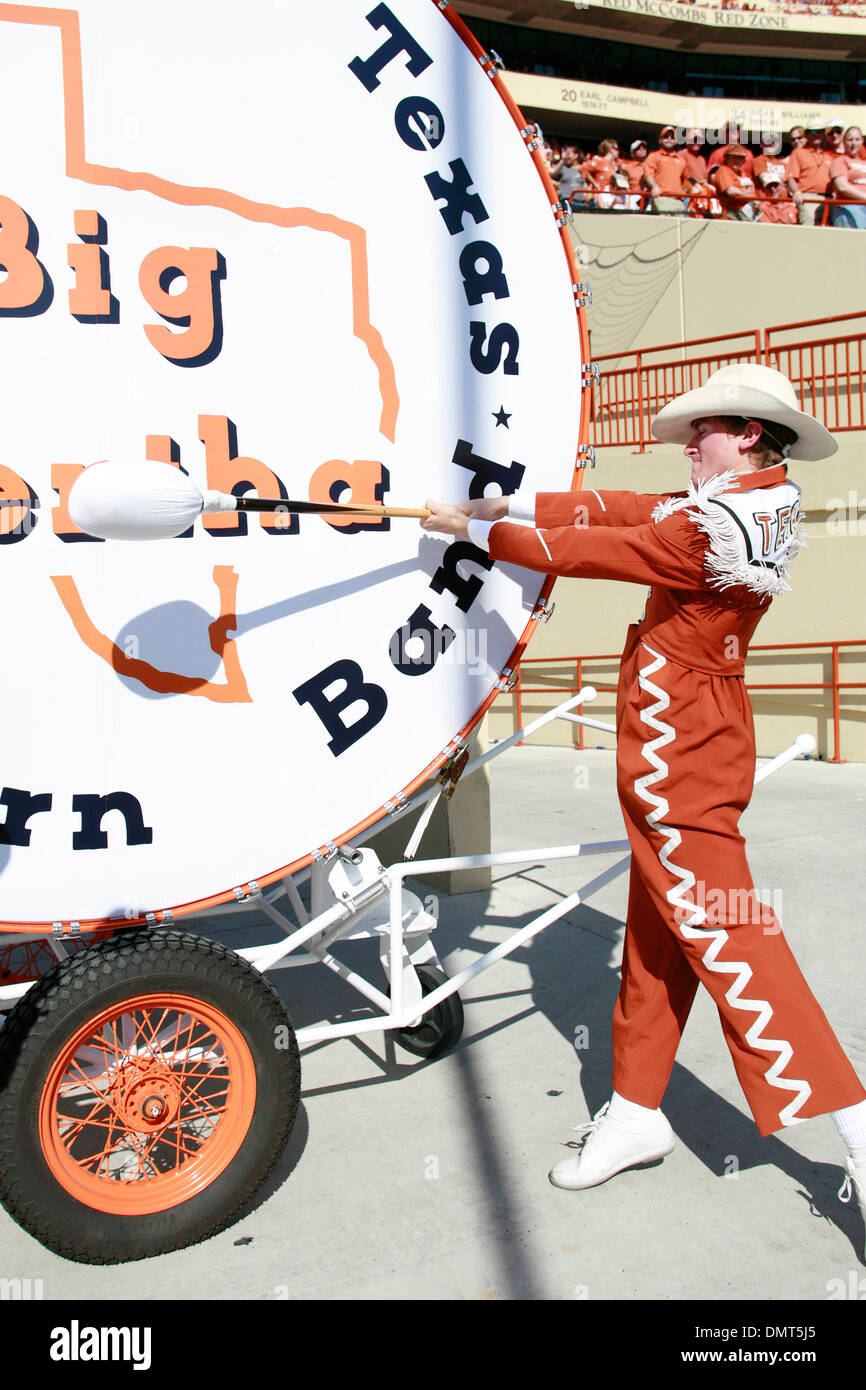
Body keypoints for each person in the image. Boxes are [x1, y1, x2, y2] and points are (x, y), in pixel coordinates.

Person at [420, 364, 866, 1252]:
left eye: (700, 430)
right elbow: (620, 508)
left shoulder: (715, 527)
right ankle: (634, 1111)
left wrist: (483, 530)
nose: (685, 445)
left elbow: (602, 552)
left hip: (679, 749)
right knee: (660, 939)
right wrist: (501, 503)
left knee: (733, 930)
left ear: (745, 433)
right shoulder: (746, 497)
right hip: (697, 733)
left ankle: (855, 1126)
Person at [786, 127, 831, 226]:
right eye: (813, 131)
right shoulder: (798, 152)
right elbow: (791, 178)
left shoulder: (829, 154)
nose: (816, 134)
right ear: (807, 134)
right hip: (808, 197)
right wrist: (797, 192)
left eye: (820, 131)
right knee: (808, 227)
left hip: (829, 198)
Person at [641, 126, 686, 215]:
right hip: (661, 198)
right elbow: (648, 174)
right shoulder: (654, 156)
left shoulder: (681, 160)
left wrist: (685, 190)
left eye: (672, 137)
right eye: (666, 136)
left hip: (678, 201)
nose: (669, 139)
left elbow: (686, 178)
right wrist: (654, 186)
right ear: (660, 140)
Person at [829, 126, 866, 228]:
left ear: (862, 141)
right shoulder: (840, 161)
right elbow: (842, 187)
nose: (854, 143)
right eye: (850, 140)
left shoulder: (864, 162)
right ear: (844, 142)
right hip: (850, 207)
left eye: (857, 139)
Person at [711, 145, 760, 220]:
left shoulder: (741, 172)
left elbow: (751, 188)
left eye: (740, 158)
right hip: (731, 213)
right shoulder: (723, 170)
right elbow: (731, 191)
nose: (737, 160)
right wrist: (751, 198)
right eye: (733, 157)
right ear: (726, 158)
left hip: (748, 211)